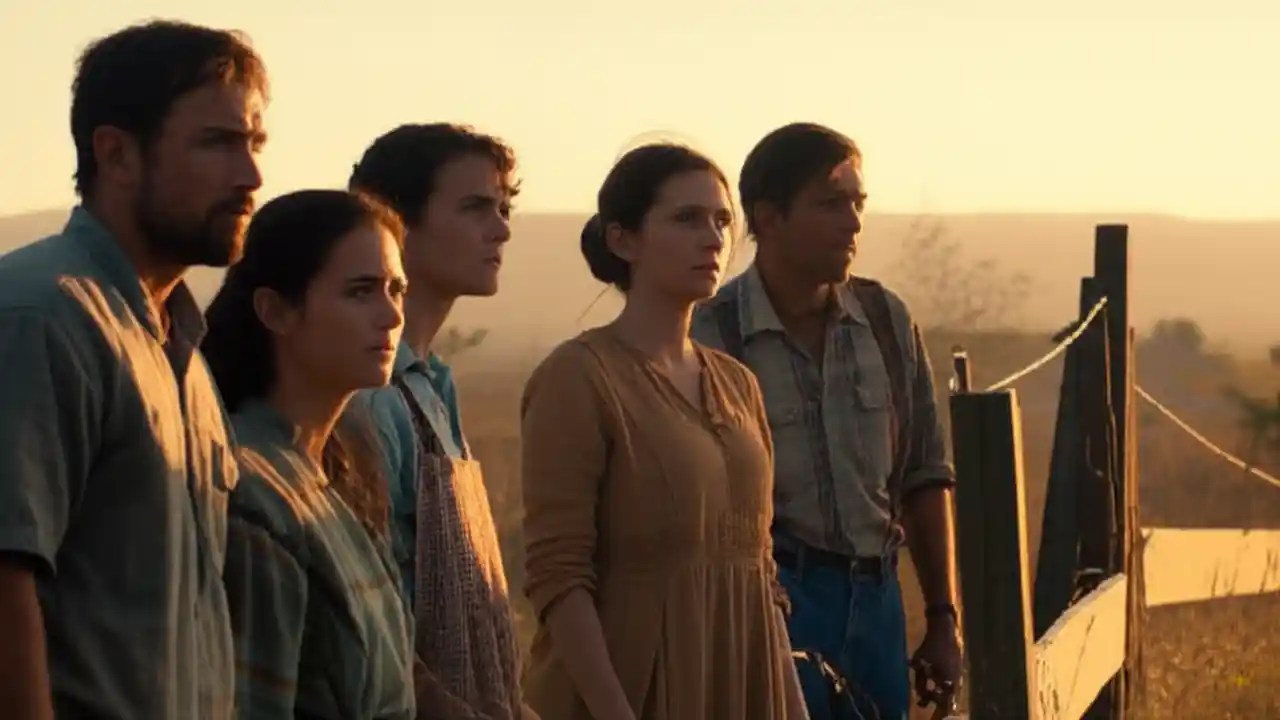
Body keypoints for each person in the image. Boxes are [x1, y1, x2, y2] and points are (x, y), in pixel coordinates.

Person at [0, 21, 266, 719]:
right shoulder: (41, 317)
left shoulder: (182, 352)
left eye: (254, 143)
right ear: (115, 153)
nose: (251, 177)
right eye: (218, 143)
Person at [520, 143, 808, 720]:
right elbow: (559, 575)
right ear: (623, 240)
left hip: (740, 679)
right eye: (686, 219)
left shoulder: (738, 384)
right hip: (630, 684)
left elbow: (760, 572)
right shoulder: (579, 376)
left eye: (723, 220)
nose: (713, 238)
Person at [690, 122, 963, 720]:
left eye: (858, 203)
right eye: (830, 203)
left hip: (876, 597)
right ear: (766, 218)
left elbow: (923, 474)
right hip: (775, 597)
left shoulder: (885, 321)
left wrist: (943, 616)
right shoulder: (710, 334)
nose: (853, 221)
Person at [201, 189, 416, 719]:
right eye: (361, 292)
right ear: (276, 310)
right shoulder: (252, 497)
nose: (391, 315)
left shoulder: (336, 468)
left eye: (397, 289)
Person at [348, 123, 532, 719]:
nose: (501, 228)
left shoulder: (432, 384)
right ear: (395, 220)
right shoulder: (368, 395)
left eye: (505, 207)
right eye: (476, 207)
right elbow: (367, 606)